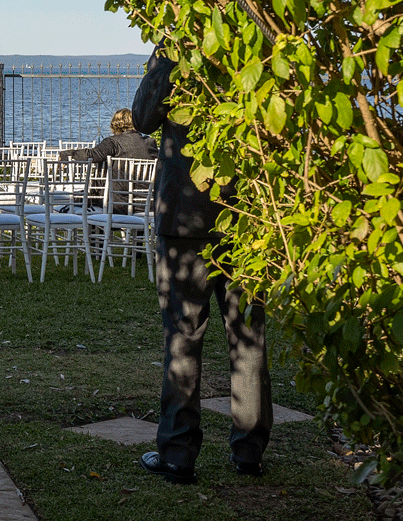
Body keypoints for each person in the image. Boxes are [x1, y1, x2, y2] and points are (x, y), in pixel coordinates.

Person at [132, 49, 272, 485]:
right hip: (246, 216)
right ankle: (249, 450)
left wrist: (163, 58)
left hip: (186, 215)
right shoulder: (253, 46)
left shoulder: (178, 50)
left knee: (184, 335)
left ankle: (178, 452)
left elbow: (142, 118)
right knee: (247, 337)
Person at [61, 108, 158, 170]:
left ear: (115, 124)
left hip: (118, 195)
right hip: (146, 194)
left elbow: (92, 155)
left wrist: (68, 154)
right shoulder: (150, 142)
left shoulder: (113, 142)